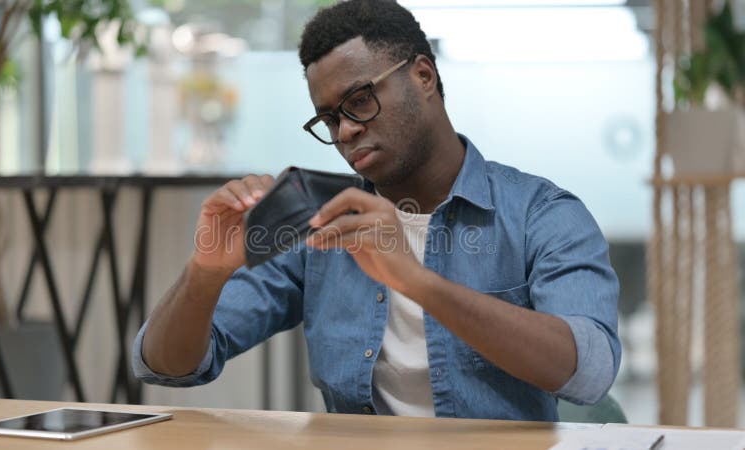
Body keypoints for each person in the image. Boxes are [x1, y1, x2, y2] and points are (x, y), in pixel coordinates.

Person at [133, 0, 620, 420]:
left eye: (359, 101)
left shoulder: (540, 213)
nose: (344, 131)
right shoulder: (317, 222)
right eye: (329, 118)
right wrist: (205, 272)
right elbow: (166, 366)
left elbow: (590, 371)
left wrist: (417, 280)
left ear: (424, 76)